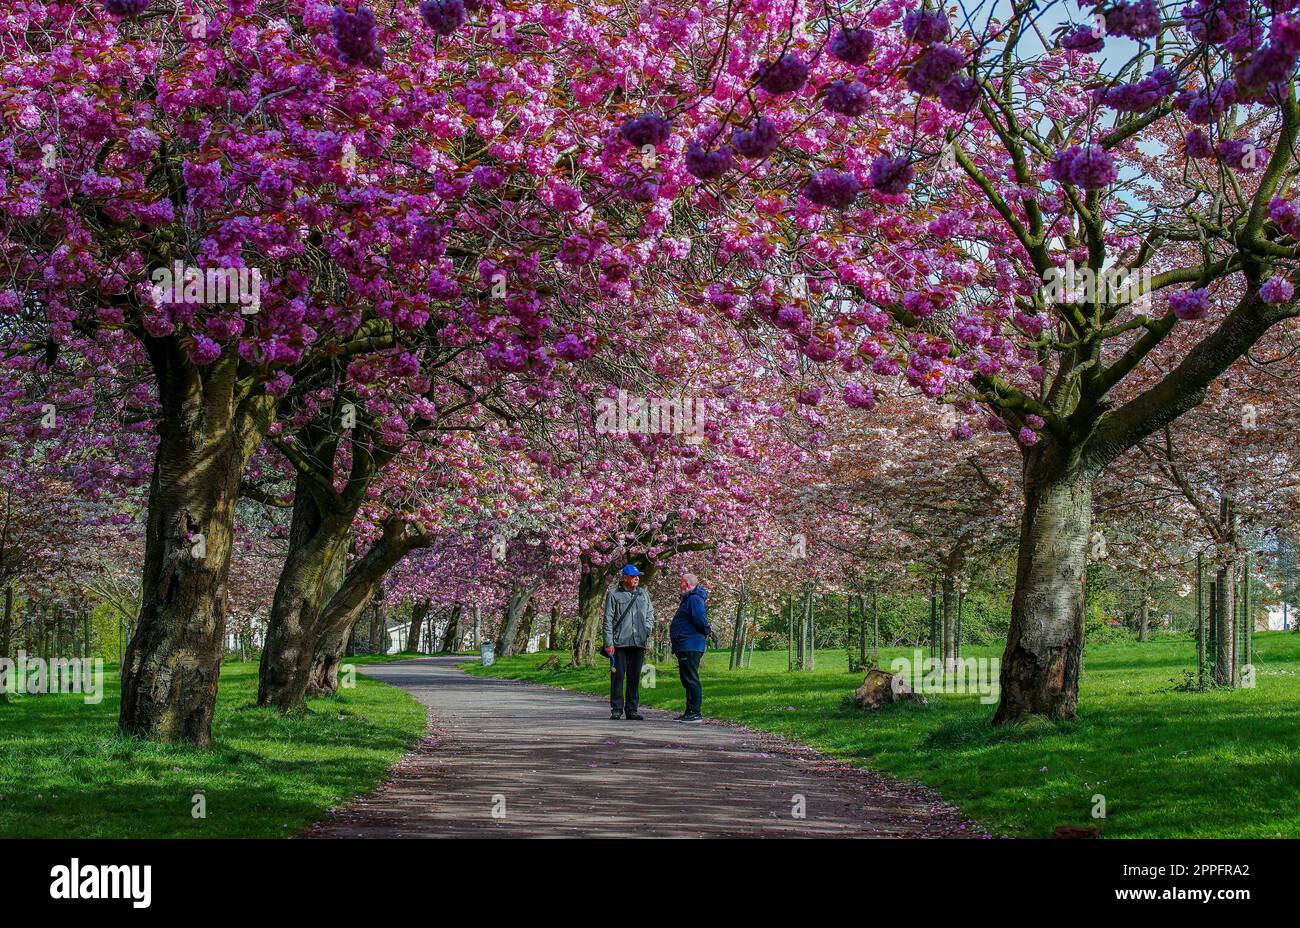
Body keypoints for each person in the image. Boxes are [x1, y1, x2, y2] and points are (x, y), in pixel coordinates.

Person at [603, 564, 654, 720]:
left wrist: (647, 629)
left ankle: (632, 709)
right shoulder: (613, 594)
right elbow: (608, 619)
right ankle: (616, 709)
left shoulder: (643, 594)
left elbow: (650, 614)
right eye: (633, 576)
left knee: (634, 677)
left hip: (638, 642)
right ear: (625, 578)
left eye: (638, 576)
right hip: (620, 643)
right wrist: (608, 642)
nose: (637, 578)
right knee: (618, 677)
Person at [670, 573, 711, 723]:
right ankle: (689, 711)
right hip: (685, 643)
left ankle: (695, 712)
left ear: (687, 584)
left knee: (691, 678)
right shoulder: (690, 599)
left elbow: (699, 617)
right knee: (686, 678)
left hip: (690, 644)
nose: (679, 585)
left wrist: (707, 630)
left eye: (681, 582)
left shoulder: (694, 599)